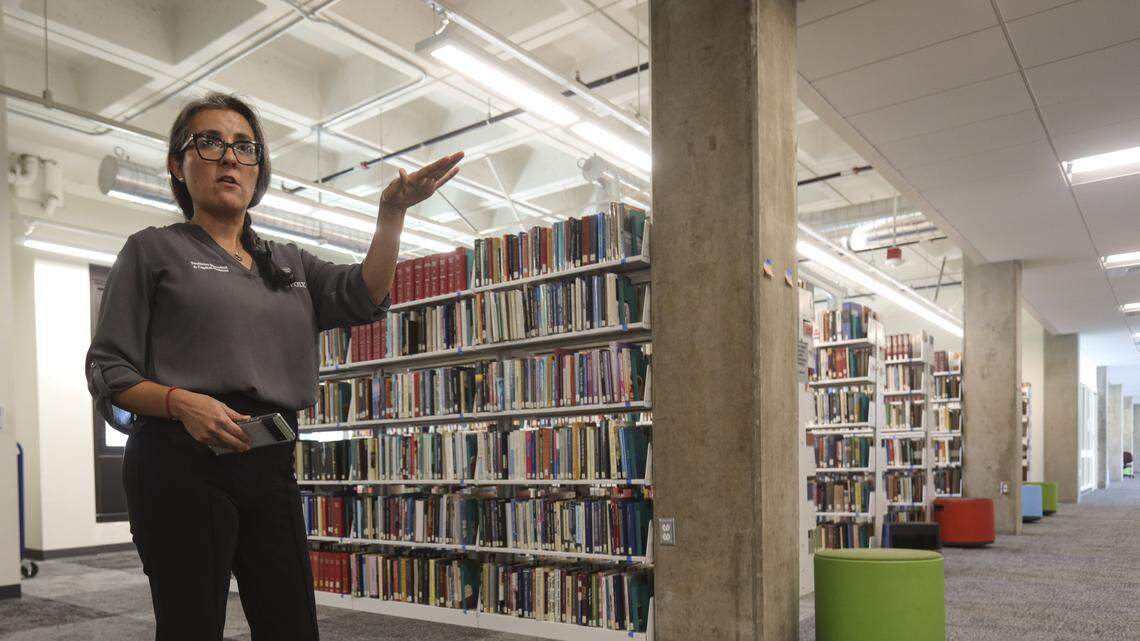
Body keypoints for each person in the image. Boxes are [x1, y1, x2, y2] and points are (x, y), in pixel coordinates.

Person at [84, 92, 463, 641]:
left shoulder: (288, 263)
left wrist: (392, 214)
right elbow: (108, 369)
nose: (230, 158)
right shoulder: (151, 252)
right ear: (177, 163)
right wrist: (180, 402)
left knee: (290, 624)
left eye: (245, 147)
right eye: (209, 143)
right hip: (178, 463)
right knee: (190, 624)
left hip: (270, 461)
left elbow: (362, 295)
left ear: (258, 168)